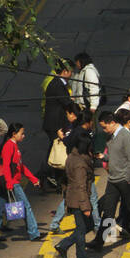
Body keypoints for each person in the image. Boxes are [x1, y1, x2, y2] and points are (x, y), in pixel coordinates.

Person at [91, 109, 130, 250]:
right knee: (109, 211)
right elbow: (115, 157)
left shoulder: (125, 136)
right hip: (113, 179)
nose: (104, 130)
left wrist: (128, 178)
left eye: (105, 127)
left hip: (124, 180)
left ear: (112, 123)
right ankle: (100, 241)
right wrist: (103, 157)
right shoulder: (111, 137)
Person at [0, 123, 42, 243]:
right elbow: (6, 166)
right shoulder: (9, 146)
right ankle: (34, 233)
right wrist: (9, 182)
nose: (24, 136)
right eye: (22, 133)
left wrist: (33, 179)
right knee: (26, 206)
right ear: (14, 134)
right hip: (12, 182)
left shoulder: (14, 146)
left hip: (9, 182)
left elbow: (21, 167)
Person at [54, 132, 98, 258]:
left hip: (73, 197)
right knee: (82, 228)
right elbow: (80, 186)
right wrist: (86, 207)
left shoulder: (72, 157)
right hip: (78, 200)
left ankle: (64, 245)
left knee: (87, 226)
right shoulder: (80, 164)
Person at [40, 61, 75, 190]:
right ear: (65, 71)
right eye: (71, 71)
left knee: (54, 149)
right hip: (55, 124)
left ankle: (52, 175)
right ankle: (49, 175)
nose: (72, 74)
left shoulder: (57, 82)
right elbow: (66, 102)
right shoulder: (57, 85)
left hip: (54, 123)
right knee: (55, 151)